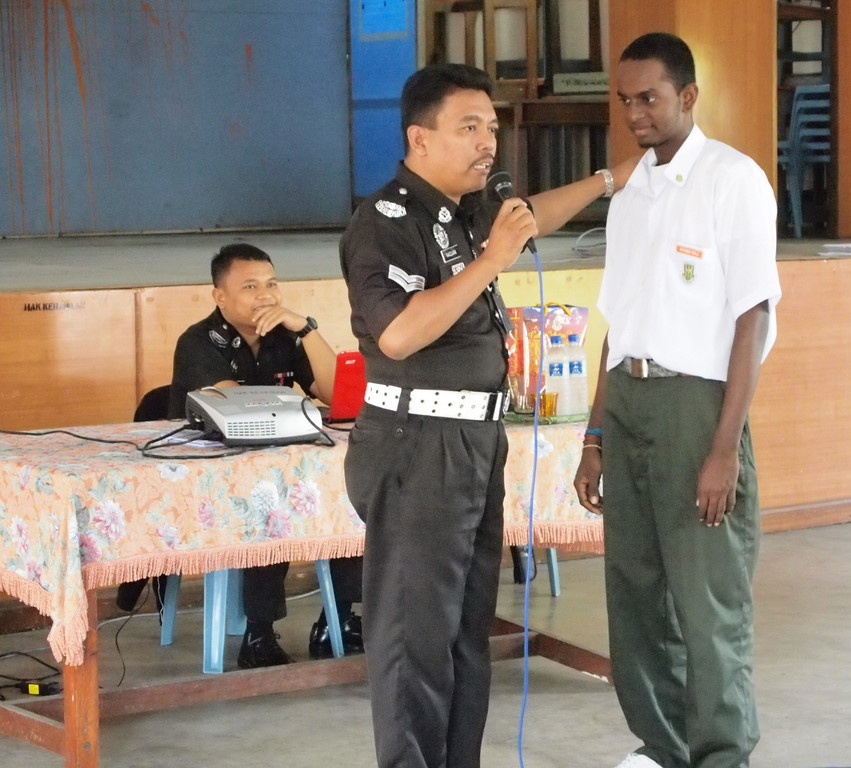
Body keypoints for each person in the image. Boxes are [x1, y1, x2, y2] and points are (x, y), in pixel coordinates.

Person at [340, 63, 638, 768]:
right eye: (468, 127)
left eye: (493, 129)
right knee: (415, 640)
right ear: (419, 137)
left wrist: (610, 180)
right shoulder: (384, 221)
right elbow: (400, 334)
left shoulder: (465, 209)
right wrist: (494, 258)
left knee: (465, 635)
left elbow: (534, 213)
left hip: (474, 441)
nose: (487, 143)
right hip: (417, 446)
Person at [572, 33, 782, 768]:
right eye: (625, 101)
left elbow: (750, 320)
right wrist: (594, 434)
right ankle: (661, 748)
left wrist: (723, 448)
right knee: (634, 591)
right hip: (627, 399)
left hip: (698, 407)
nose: (636, 113)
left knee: (706, 600)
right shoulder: (631, 192)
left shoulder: (734, 180)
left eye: (650, 98)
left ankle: (722, 754)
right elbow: (612, 322)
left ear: (688, 96)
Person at [169, 243, 364, 668]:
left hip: (279, 462)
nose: (266, 295)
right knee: (265, 502)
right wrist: (302, 407)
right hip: (211, 476)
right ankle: (258, 634)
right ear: (220, 296)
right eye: (251, 286)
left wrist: (307, 330)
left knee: (350, 489)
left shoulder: (285, 337)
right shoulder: (198, 341)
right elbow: (237, 411)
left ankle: (341, 620)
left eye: (272, 284)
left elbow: (337, 396)